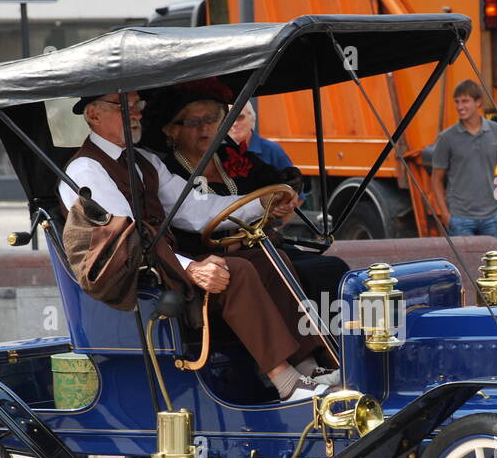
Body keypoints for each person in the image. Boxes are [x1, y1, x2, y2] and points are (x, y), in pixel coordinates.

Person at [58, 90, 333, 402]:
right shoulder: (85, 170)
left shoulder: (142, 161)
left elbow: (195, 210)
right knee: (236, 270)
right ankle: (284, 381)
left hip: (164, 263)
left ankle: (306, 366)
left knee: (268, 259)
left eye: (138, 106)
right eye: (125, 107)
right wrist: (191, 267)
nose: (136, 114)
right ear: (93, 115)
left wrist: (263, 202)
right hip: (139, 277)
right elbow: (125, 243)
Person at [157, 83, 350, 344]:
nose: (205, 128)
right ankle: (303, 357)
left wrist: (282, 198)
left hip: (260, 243)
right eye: (193, 121)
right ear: (172, 130)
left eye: (212, 119)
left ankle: (342, 349)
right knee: (279, 267)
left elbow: (274, 182)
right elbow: (185, 223)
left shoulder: (229, 155)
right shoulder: (167, 171)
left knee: (331, 269)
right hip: (207, 256)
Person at [430, 80, 497, 251]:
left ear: (478, 102)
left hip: (493, 217)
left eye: (465, 101)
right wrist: (446, 215)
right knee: (466, 273)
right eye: (457, 102)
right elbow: (436, 179)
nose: (460, 106)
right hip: (460, 219)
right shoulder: (446, 138)